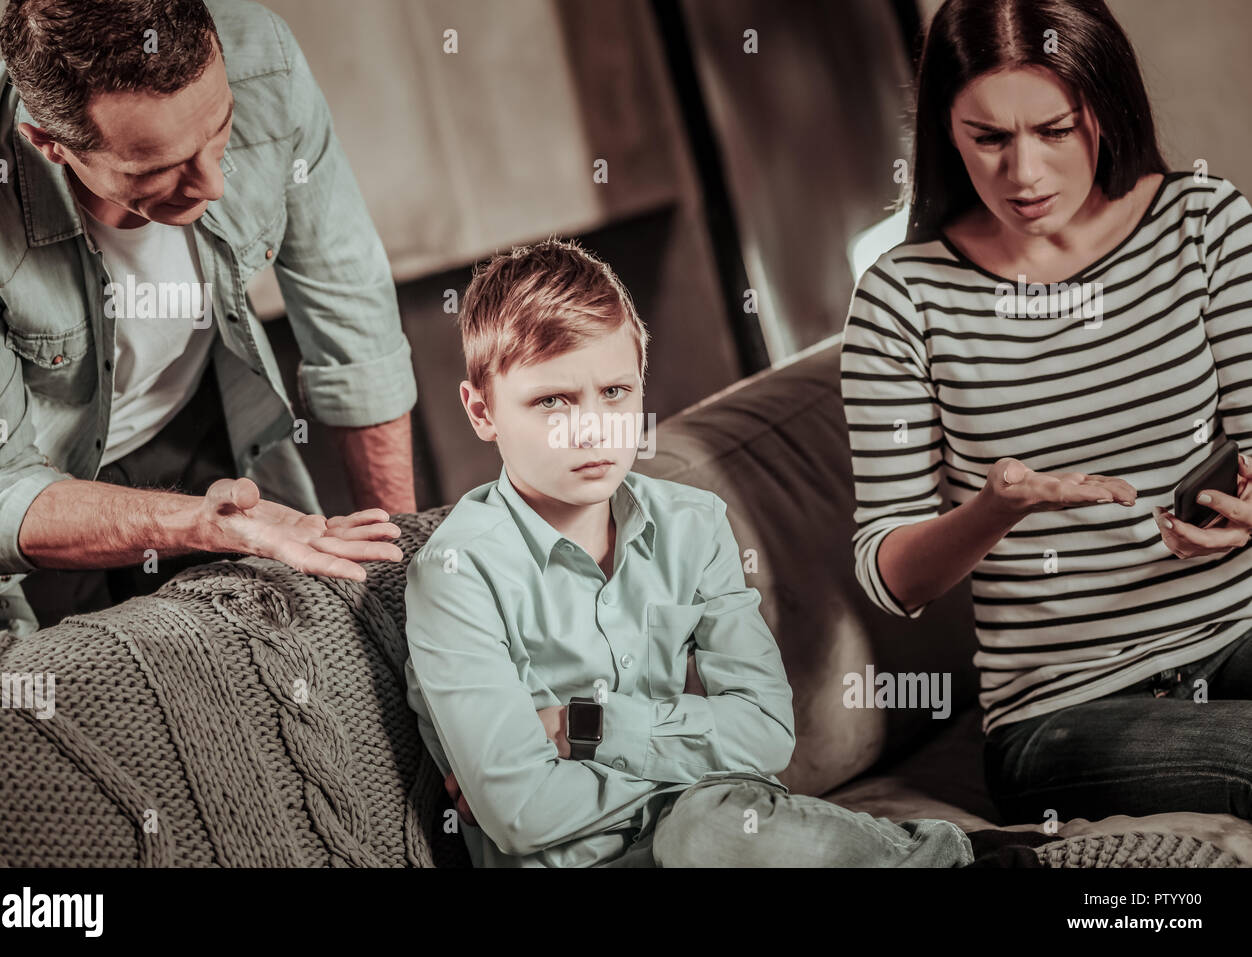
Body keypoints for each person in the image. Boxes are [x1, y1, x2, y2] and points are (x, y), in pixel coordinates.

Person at [402, 237, 976, 867]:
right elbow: (521, 812)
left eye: (615, 392)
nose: (593, 429)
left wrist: (581, 726)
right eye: (551, 401)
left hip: (712, 843)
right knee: (703, 827)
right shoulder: (457, 575)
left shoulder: (691, 524)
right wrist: (698, 761)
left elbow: (767, 734)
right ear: (481, 411)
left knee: (703, 832)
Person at [841, 0, 1252, 825]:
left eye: (1054, 130)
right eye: (988, 137)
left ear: (1105, 105)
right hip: (1063, 709)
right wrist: (996, 508)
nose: (1024, 174)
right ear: (945, 131)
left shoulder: (1205, 222)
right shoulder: (900, 298)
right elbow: (890, 577)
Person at [0, 0, 417, 656]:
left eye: (220, 128)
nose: (214, 184)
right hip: (46, 498)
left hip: (204, 429)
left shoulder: (263, 60)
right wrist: (197, 522)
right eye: (155, 168)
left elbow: (355, 327)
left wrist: (402, 568)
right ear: (49, 144)